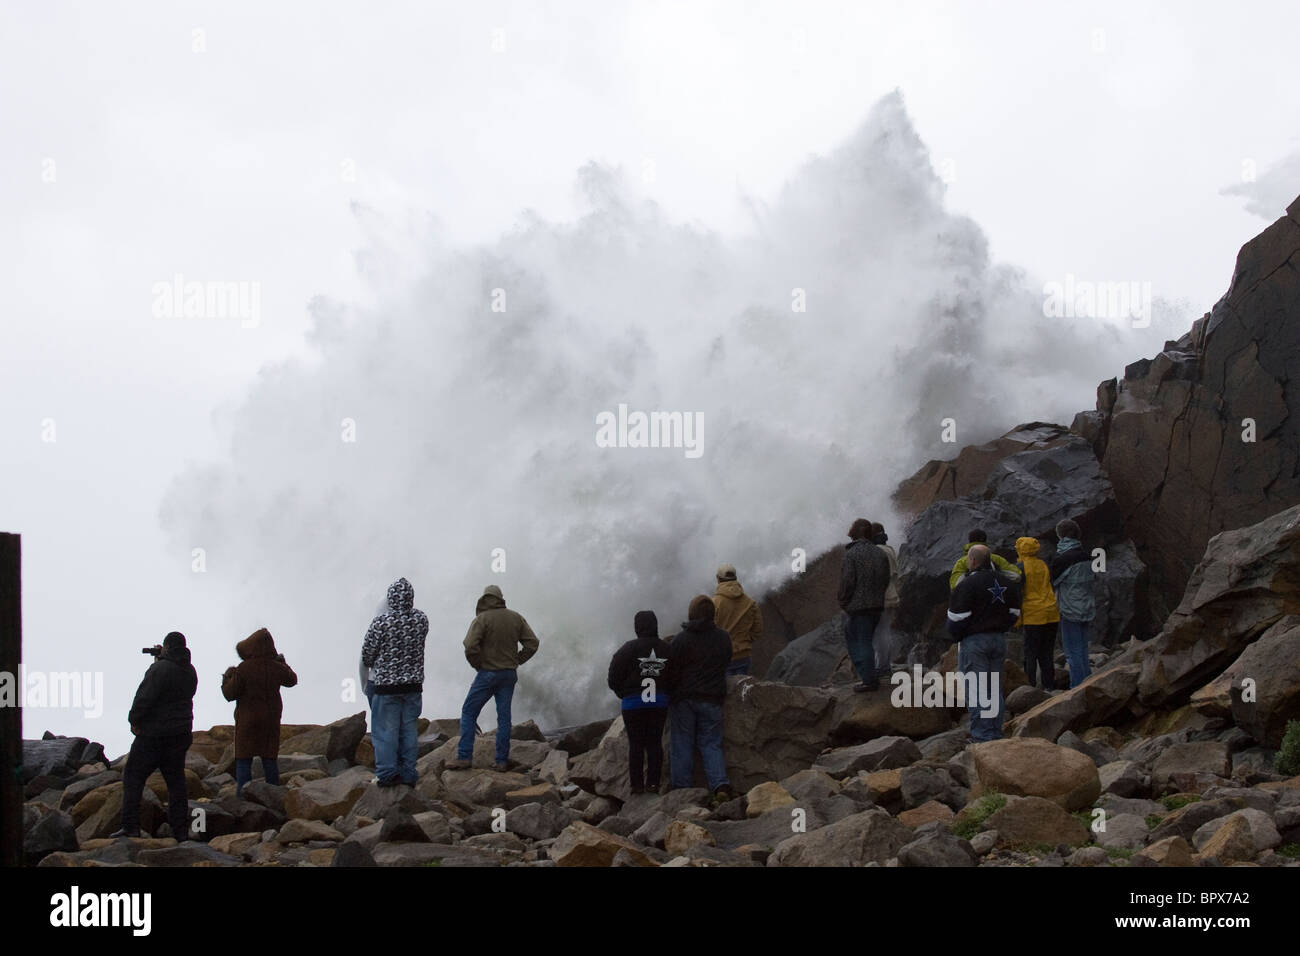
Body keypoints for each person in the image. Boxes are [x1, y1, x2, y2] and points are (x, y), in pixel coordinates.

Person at [114, 631, 198, 839]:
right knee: (176, 782)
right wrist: (162, 658)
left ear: (166, 647)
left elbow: (144, 697)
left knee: (133, 776)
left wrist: (134, 720)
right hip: (180, 735)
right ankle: (180, 831)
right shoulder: (190, 671)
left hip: (154, 736)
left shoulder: (159, 669)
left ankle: (130, 826)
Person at [451, 584, 539, 772]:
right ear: (501, 598)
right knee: (504, 717)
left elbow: (470, 646)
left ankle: (464, 757)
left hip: (488, 673)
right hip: (509, 674)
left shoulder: (482, 619)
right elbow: (533, 643)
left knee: (468, 712)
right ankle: (501, 760)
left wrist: (478, 664)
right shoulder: (516, 617)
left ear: (484, 599)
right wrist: (518, 659)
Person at [947, 546, 1022, 742]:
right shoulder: (1005, 582)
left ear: (972, 561)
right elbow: (1015, 612)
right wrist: (1002, 626)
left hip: (974, 641)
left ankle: (982, 736)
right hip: (998, 639)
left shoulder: (968, 584)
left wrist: (957, 636)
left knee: (976, 688)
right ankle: (995, 731)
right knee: (993, 687)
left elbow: (956, 617)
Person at [361, 577, 429, 786]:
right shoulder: (421, 619)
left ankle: (388, 773)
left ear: (391, 598)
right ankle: (408, 773)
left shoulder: (381, 622)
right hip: (413, 686)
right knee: (408, 729)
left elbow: (367, 655)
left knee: (386, 731)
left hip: (386, 687)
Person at [667, 595, 734, 803]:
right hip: (713, 698)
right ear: (712, 614)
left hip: (684, 699)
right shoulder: (723, 638)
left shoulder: (681, 639)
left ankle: (681, 790)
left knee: (682, 743)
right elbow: (727, 661)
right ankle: (720, 785)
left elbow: (672, 670)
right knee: (711, 743)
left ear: (691, 613)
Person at [221, 627, 297, 796]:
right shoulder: (276, 667)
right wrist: (283, 663)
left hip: (247, 721)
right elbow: (292, 680)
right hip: (270, 721)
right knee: (269, 759)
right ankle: (275, 796)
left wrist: (227, 677)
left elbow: (229, 694)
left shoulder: (244, 668)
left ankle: (243, 798)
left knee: (244, 760)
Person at [607, 610, 673, 794]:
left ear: (637, 627)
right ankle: (653, 783)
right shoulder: (666, 649)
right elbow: (676, 676)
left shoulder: (627, 649)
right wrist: (667, 693)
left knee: (635, 744)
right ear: (655, 625)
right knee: (654, 743)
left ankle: (636, 785)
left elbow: (613, 677)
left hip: (633, 703)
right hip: (658, 702)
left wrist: (623, 693)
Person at [837, 518, 891, 692]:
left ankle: (868, 680)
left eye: (851, 527)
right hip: (876, 605)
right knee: (868, 641)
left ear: (856, 531)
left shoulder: (852, 554)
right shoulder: (879, 553)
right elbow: (885, 579)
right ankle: (871, 676)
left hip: (859, 607)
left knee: (861, 643)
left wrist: (843, 601)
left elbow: (847, 582)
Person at [1050, 519, 1095, 688]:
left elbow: (1052, 581)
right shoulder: (1086, 556)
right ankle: (1088, 680)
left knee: (1072, 651)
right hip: (1087, 605)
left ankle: (1077, 687)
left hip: (1069, 607)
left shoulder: (1063, 559)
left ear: (1060, 536)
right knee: (1083, 648)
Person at [1014, 537, 1060, 691]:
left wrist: (1017, 619)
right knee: (1047, 652)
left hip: (1033, 614)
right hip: (1051, 612)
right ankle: (1049, 686)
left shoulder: (1020, 568)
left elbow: (1018, 595)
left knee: (1030, 653)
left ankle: (1030, 687)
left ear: (1021, 549)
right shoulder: (1044, 564)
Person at [712, 564, 762, 677]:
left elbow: (710, 631)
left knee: (726, 692)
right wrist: (745, 641)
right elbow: (758, 630)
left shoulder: (714, 603)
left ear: (718, 579)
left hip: (723, 657)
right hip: (744, 656)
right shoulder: (750, 603)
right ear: (735, 578)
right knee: (741, 690)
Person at [871, 522, 900, 678]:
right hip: (891, 595)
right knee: (885, 632)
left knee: (879, 634)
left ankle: (881, 667)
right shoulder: (890, 549)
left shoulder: (877, 551)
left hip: (881, 598)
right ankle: (885, 665)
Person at [949, 528, 1020, 590]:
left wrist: (969, 575)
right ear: (985, 540)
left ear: (969, 540)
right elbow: (1017, 576)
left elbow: (955, 585)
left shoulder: (962, 562)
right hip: (995, 598)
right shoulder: (996, 559)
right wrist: (997, 572)